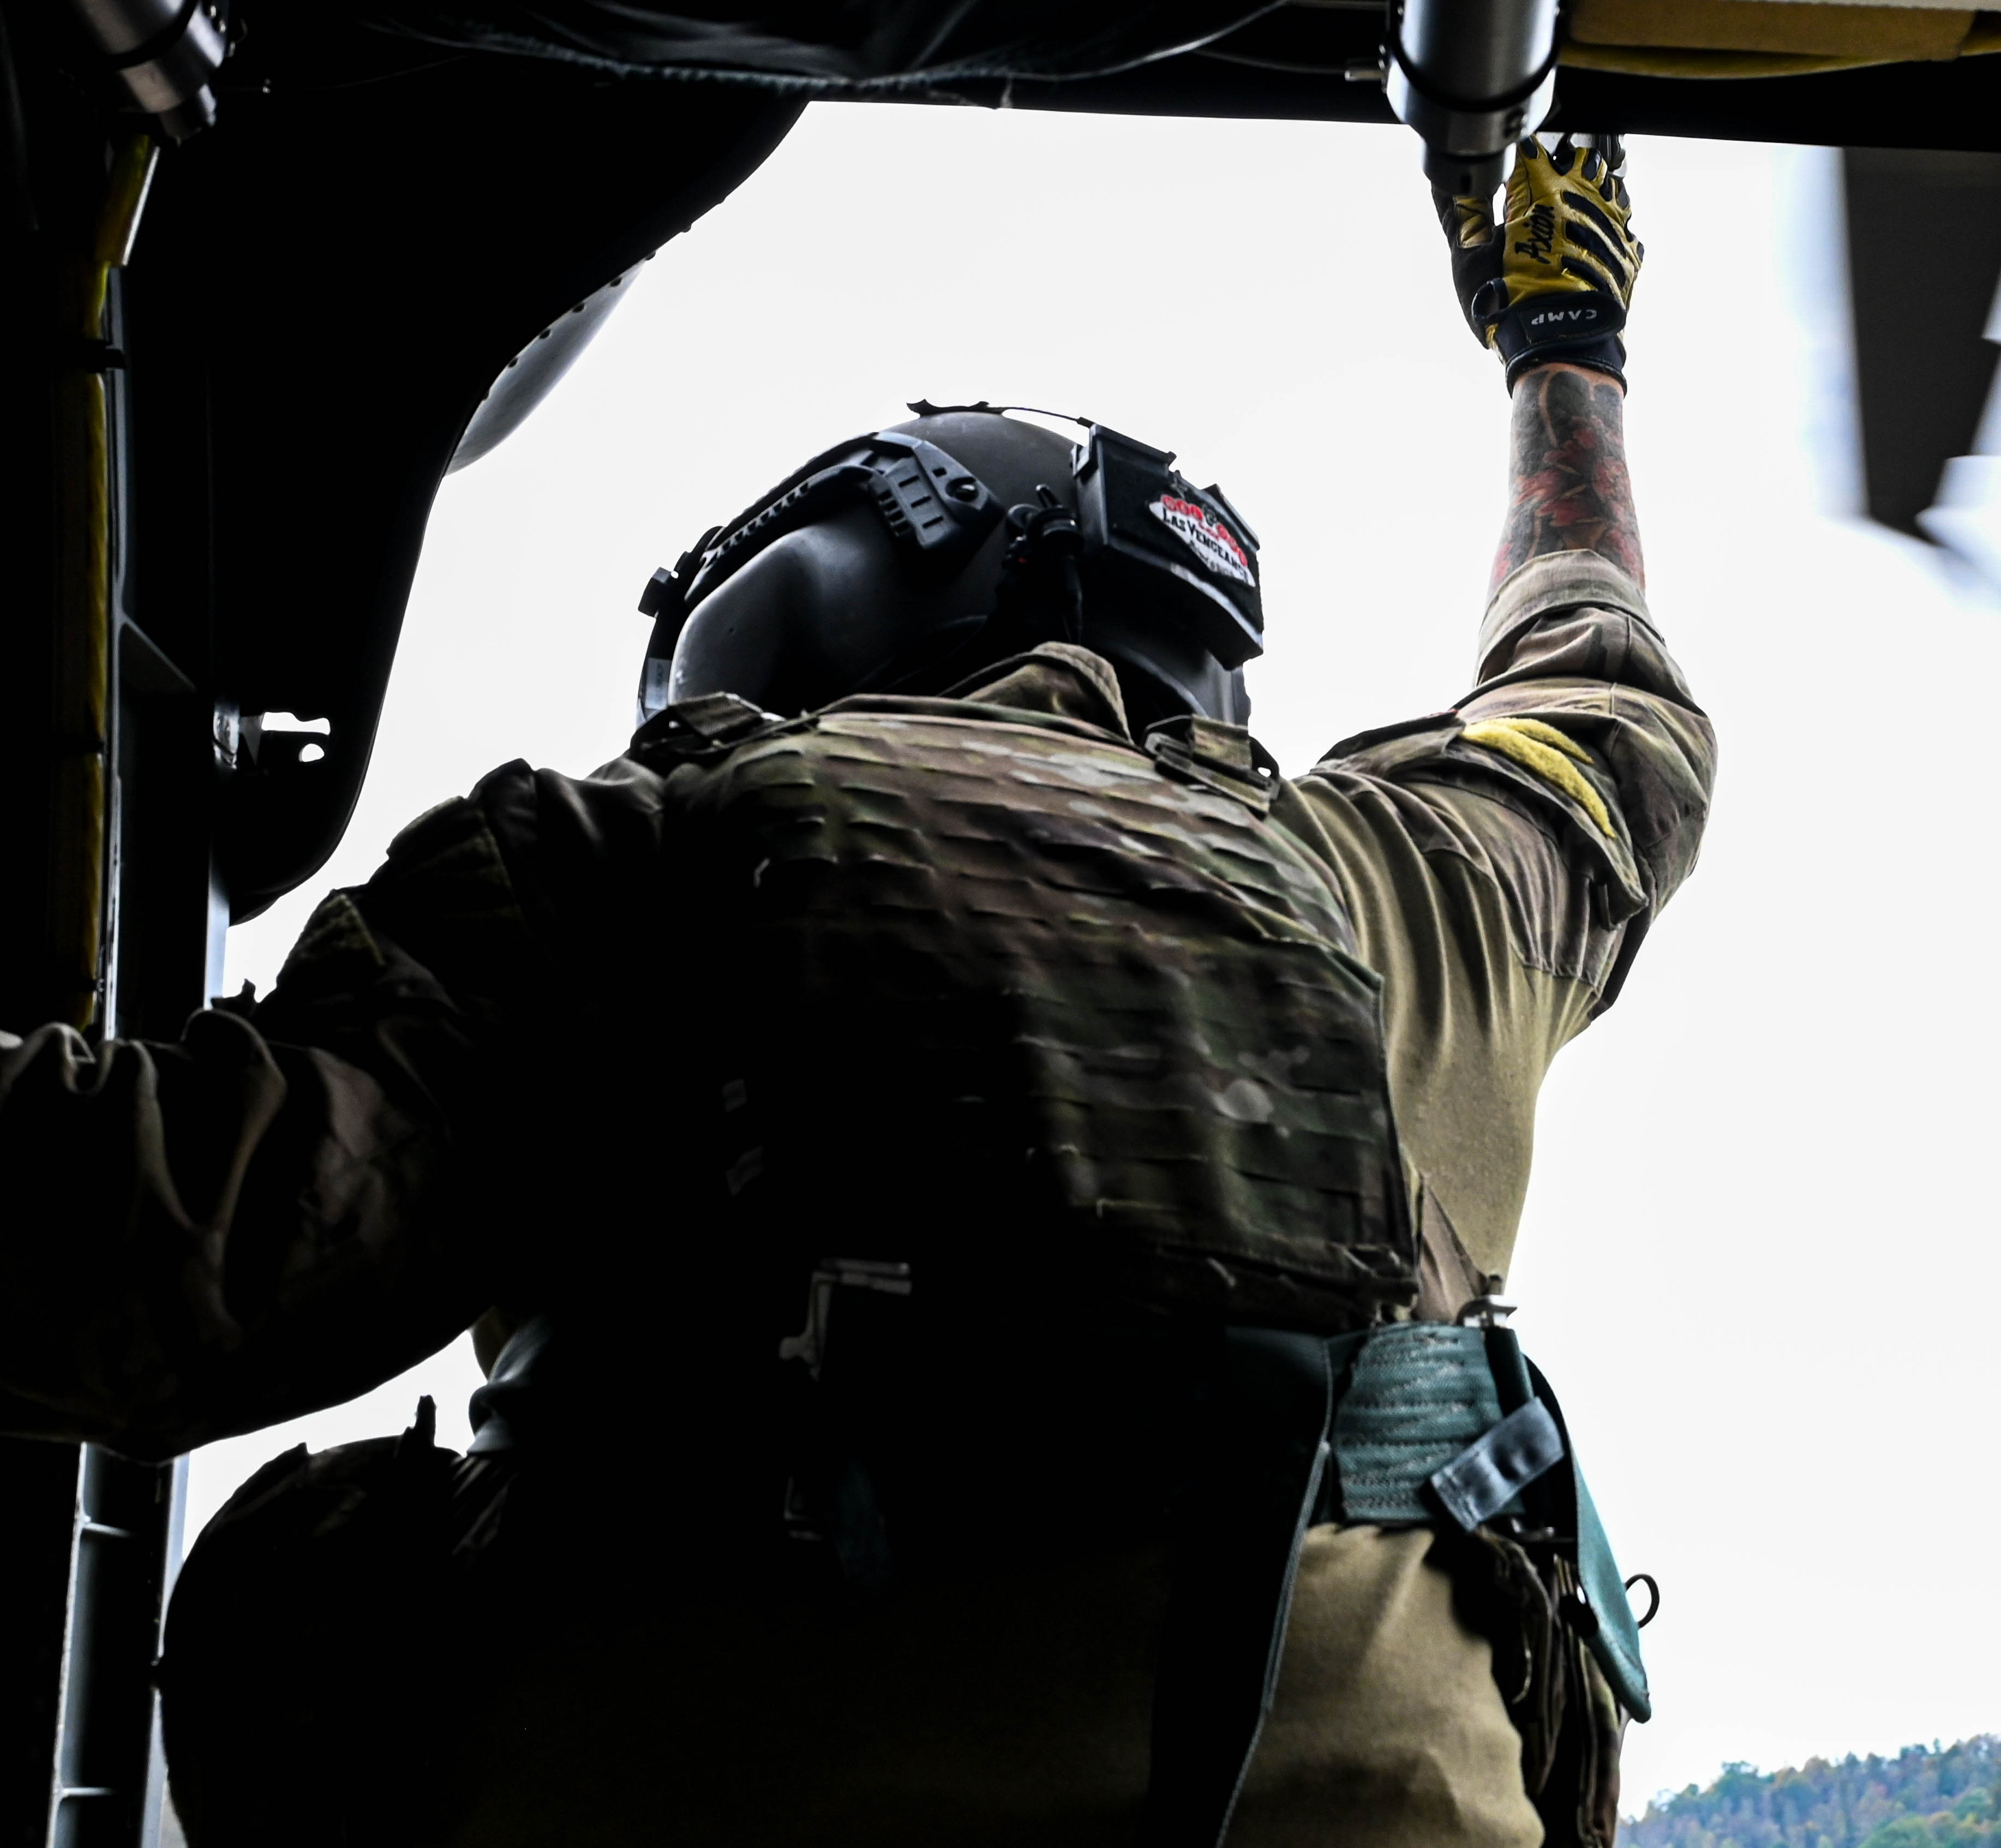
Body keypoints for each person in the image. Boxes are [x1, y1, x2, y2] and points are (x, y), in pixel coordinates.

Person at [0, 136, 1711, 1848]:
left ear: (800, 611)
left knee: (289, 1586)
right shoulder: (1412, 886)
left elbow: (152, 1256)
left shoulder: (626, 856)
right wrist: (1563, 336)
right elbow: (1604, 693)